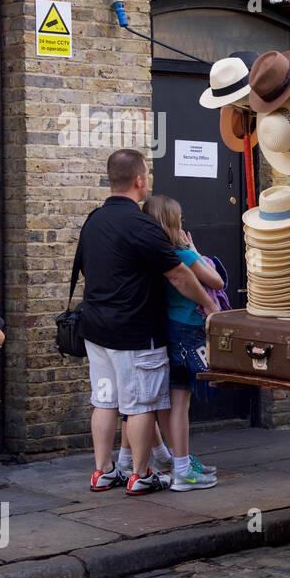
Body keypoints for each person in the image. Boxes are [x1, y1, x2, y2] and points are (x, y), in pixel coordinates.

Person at [76, 149, 218, 496]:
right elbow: (179, 275)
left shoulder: (93, 220)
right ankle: (141, 475)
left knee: (104, 400)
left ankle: (103, 471)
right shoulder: (141, 225)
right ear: (139, 180)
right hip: (133, 332)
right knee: (140, 405)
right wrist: (209, 305)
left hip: (95, 330)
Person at [142, 194, 223, 491]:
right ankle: (182, 471)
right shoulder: (183, 255)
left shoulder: (152, 255)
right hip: (189, 329)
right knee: (181, 402)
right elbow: (217, 282)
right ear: (173, 222)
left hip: (167, 328)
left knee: (166, 400)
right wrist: (195, 250)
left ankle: (180, 463)